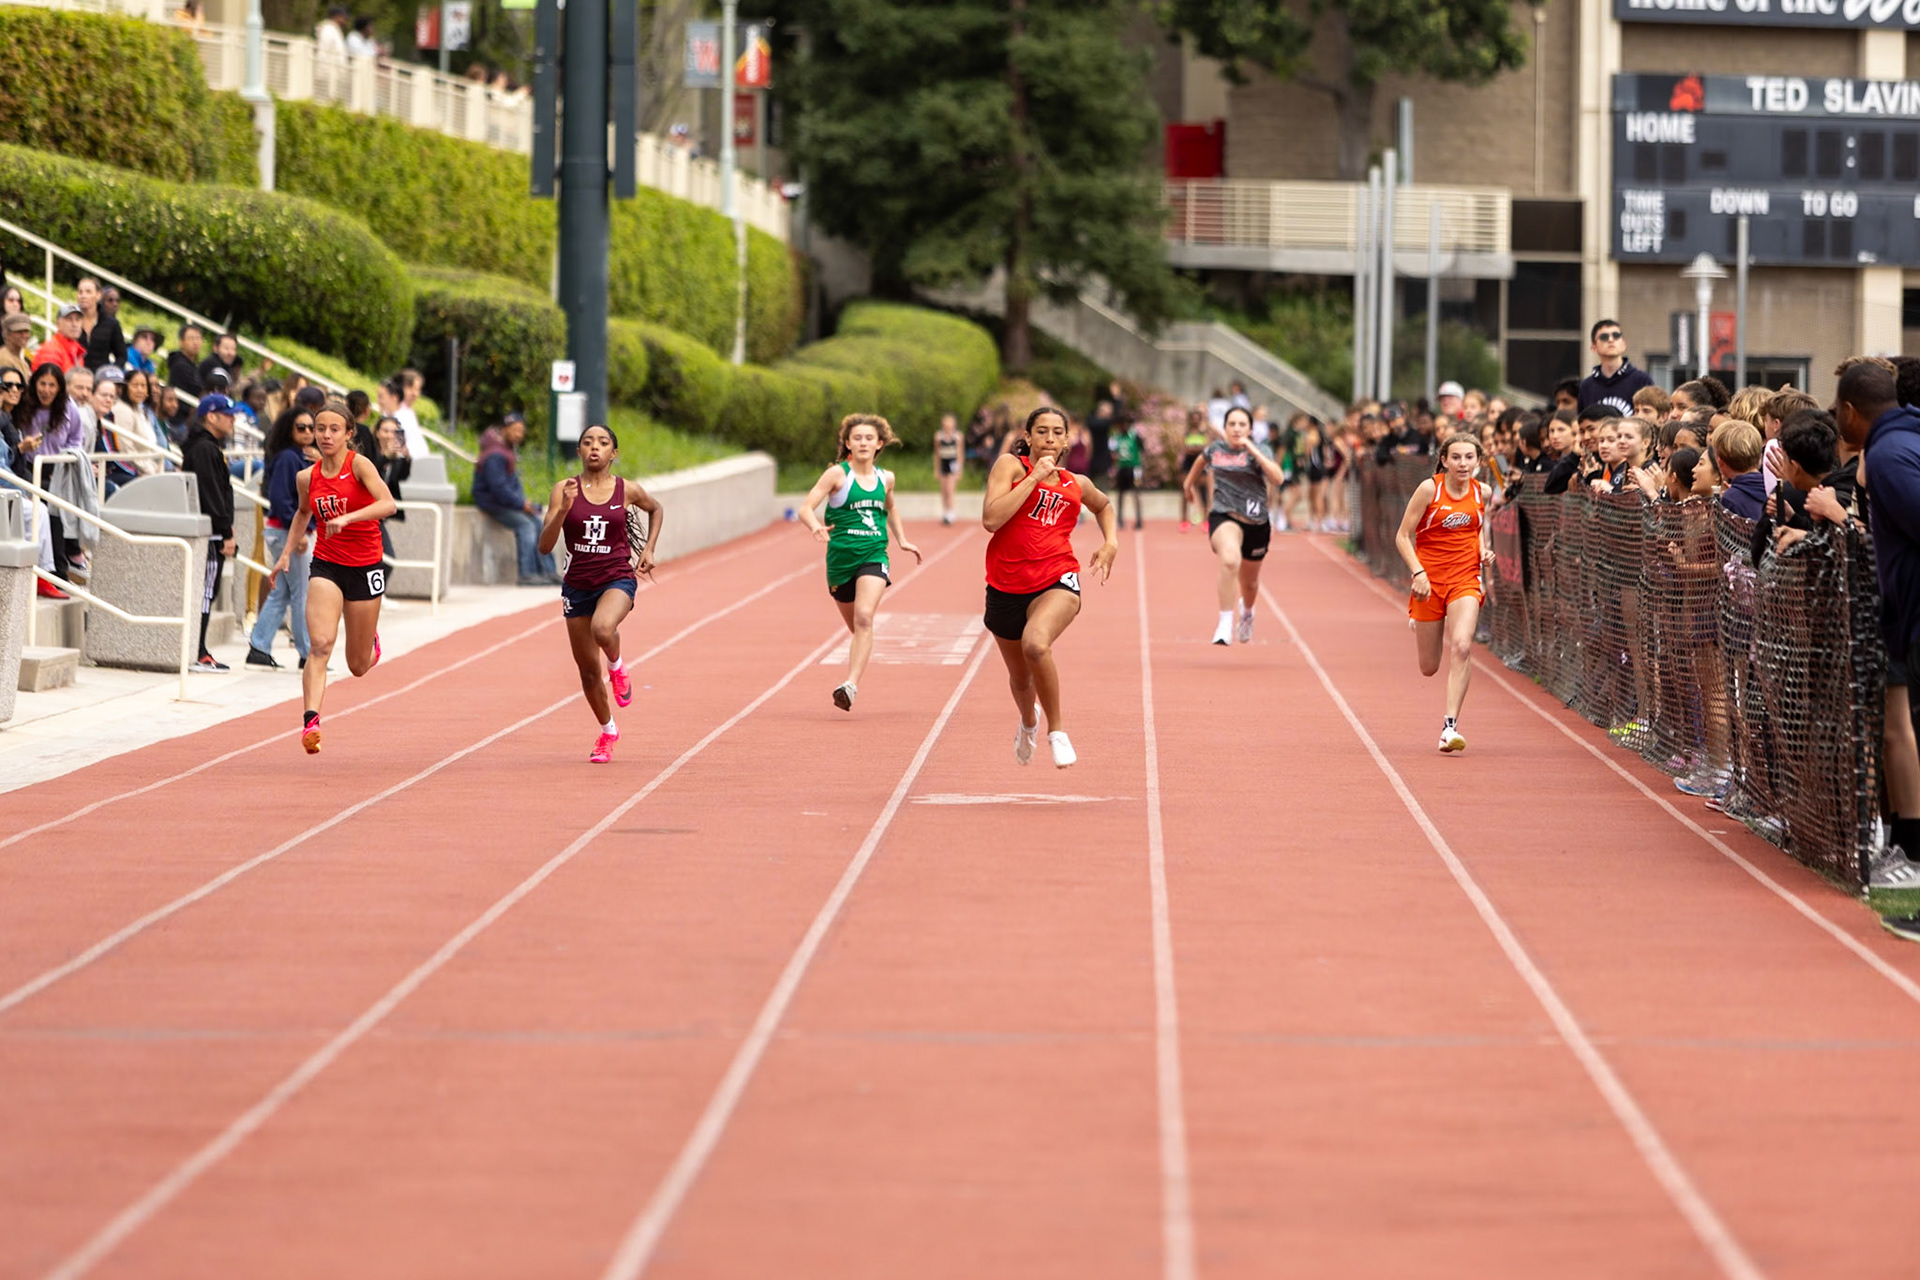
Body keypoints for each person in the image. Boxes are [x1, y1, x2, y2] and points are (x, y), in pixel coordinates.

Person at [981, 406, 1119, 768]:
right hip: (1005, 585)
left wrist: (1111, 543)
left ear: (1066, 440)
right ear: (1028, 437)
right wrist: (1033, 478)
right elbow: (992, 519)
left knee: (1036, 644)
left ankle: (1057, 731)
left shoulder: (1078, 483)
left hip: (1057, 577)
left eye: (1058, 432)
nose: (1050, 439)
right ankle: (1029, 721)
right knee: (1021, 679)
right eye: (1042, 431)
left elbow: (1104, 505)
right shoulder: (1010, 467)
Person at [272, 398, 399, 754]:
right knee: (320, 645)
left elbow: (387, 504)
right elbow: (301, 514)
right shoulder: (306, 476)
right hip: (327, 565)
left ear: (348, 434)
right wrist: (284, 555)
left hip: (365, 565)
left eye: (333, 429)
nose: (325, 436)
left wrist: (348, 519)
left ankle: (368, 640)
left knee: (357, 665)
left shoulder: (359, 465)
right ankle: (311, 722)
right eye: (319, 429)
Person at [536, 423, 664, 763]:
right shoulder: (563, 489)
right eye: (588, 442)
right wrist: (563, 509)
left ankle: (618, 666)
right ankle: (608, 731)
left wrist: (648, 550)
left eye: (603, 442)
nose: (595, 447)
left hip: (616, 577)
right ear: (578, 451)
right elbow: (545, 546)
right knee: (588, 672)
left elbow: (656, 509)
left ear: (613, 453)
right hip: (577, 585)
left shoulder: (627, 490)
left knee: (603, 628)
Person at [797, 413, 923, 712]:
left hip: (874, 554)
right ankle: (860, 654)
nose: (864, 443)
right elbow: (805, 507)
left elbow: (890, 508)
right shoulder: (837, 476)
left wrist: (902, 540)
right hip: (840, 561)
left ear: (879, 443)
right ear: (848, 443)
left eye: (869, 438)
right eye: (857, 438)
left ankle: (849, 686)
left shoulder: (886, 478)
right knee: (857, 627)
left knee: (865, 617)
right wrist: (814, 525)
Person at [1395, 433, 1496, 752]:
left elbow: (1477, 528)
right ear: (1444, 460)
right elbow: (1403, 535)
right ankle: (1419, 620)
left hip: (1465, 578)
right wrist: (1418, 573)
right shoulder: (1430, 489)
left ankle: (1449, 727)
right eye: (1456, 457)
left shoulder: (1485, 492)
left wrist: (1484, 551)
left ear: (1478, 461)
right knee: (1429, 667)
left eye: (1469, 457)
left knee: (1464, 646)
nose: (1463, 463)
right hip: (1429, 581)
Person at [1183, 405, 1286, 645]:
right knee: (1230, 560)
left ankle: (1247, 612)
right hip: (1224, 515)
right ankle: (1224, 622)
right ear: (1225, 427)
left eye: (1242, 425)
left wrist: (1251, 448)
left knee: (1249, 583)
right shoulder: (1216, 450)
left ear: (1250, 428)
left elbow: (1277, 478)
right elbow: (1200, 460)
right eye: (1232, 424)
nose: (1237, 429)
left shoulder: (1261, 450)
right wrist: (1187, 485)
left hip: (1256, 522)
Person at [246, 406, 317, 669]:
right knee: (301, 593)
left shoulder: (301, 457)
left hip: (287, 531)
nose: (308, 432)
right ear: (289, 429)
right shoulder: (289, 457)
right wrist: (297, 533)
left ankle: (259, 646)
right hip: (287, 531)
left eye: (312, 427)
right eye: (302, 427)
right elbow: (280, 499)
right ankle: (308, 653)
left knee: (283, 593)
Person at [180, 395, 238, 672]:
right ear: (211, 416)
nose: (233, 419)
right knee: (205, 592)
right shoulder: (205, 449)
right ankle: (199, 651)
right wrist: (225, 529)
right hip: (211, 534)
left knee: (206, 592)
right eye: (227, 414)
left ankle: (198, 649)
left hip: (212, 531)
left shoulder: (207, 447)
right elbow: (211, 492)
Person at [473, 412, 557, 584]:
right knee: (526, 525)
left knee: (538, 523)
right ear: (505, 429)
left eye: (521, 430)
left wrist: (523, 503)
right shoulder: (495, 454)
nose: (519, 434)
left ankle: (548, 572)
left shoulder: (505, 449)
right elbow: (498, 488)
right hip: (493, 502)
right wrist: (520, 504)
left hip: (505, 501)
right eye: (515, 430)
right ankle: (527, 574)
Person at [1577, 319, 1653, 415]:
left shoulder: (1641, 380)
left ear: (1624, 344)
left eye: (1616, 336)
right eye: (1604, 337)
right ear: (1594, 347)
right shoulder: (1586, 386)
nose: (1611, 340)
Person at [1108, 413, 1143, 530]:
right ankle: (1120, 519)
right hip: (1121, 467)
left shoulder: (1134, 436)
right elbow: (1112, 453)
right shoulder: (1115, 437)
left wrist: (1141, 468)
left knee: (1136, 493)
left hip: (1134, 467)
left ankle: (1139, 519)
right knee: (1120, 494)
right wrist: (1114, 465)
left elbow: (1142, 450)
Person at [1177, 407, 1208, 531]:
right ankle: (1184, 520)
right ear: (1189, 420)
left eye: (1197, 419)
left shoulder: (1204, 434)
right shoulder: (1186, 433)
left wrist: (1193, 448)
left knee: (1203, 492)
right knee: (1185, 491)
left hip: (1201, 464)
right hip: (1187, 465)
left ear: (1200, 420)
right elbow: (1184, 449)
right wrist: (1198, 448)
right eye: (1193, 419)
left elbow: (1206, 447)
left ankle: (1205, 521)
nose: (1195, 421)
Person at [932, 412, 963, 526]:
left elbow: (960, 454)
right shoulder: (939, 436)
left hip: (952, 464)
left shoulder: (958, 436)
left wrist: (959, 470)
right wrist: (936, 469)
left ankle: (951, 512)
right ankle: (945, 511)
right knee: (944, 490)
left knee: (950, 489)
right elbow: (936, 454)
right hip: (943, 463)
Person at [38, 304, 87, 372]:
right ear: (58, 324)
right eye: (69, 320)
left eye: (77, 320)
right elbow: (50, 381)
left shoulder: (76, 350)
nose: (74, 324)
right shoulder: (51, 350)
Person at [167, 323, 206, 397]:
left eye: (198, 338)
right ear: (181, 342)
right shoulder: (179, 365)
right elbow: (198, 390)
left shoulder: (195, 365)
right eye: (191, 338)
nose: (195, 342)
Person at [0, 312, 35, 380]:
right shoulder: (4, 359)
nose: (24, 335)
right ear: (7, 334)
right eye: (19, 332)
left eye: (26, 331)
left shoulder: (22, 362)